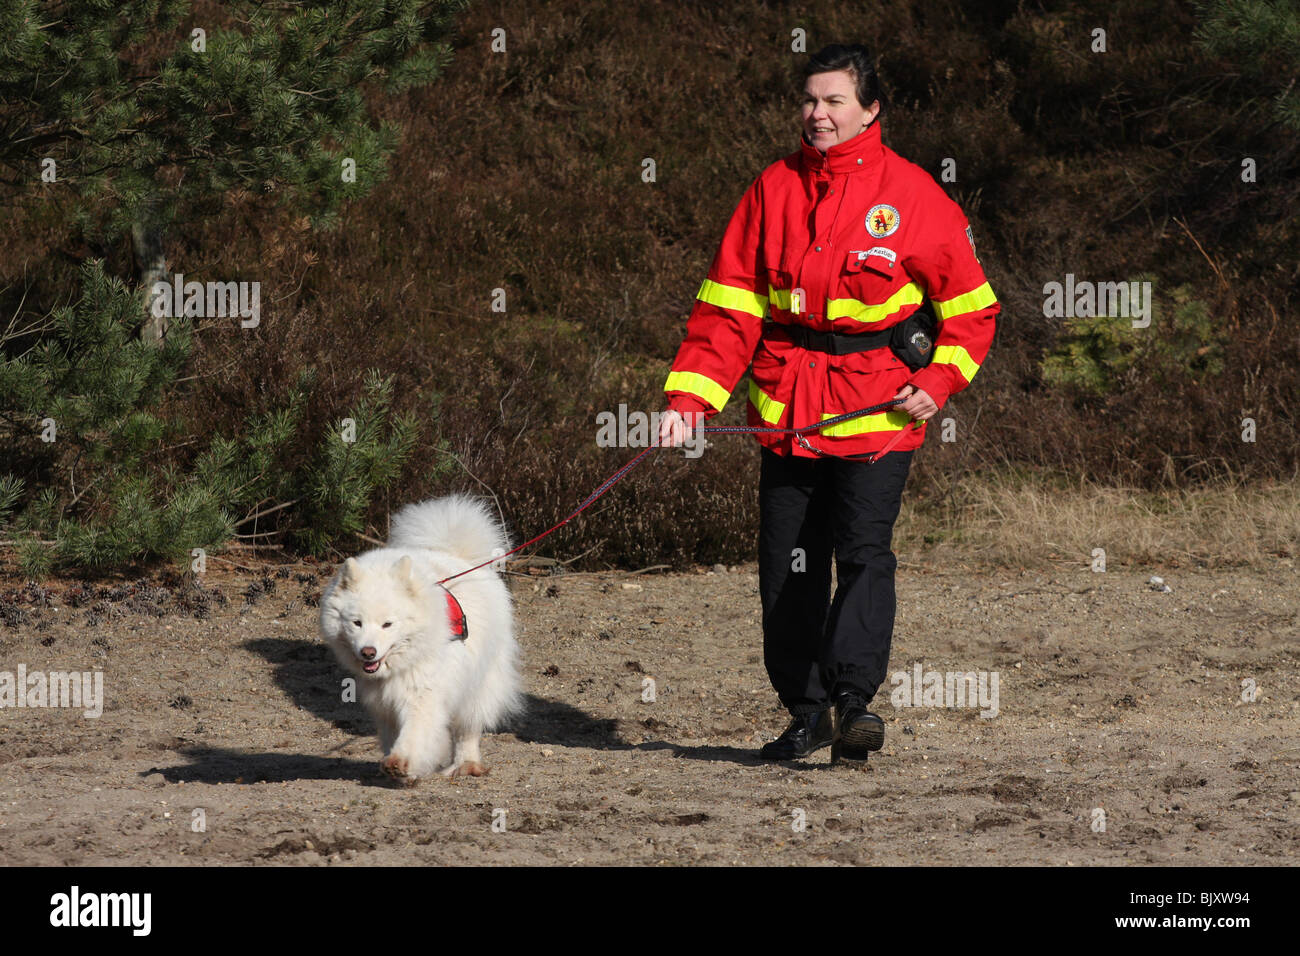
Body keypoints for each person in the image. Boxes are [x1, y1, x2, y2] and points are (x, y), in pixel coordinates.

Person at [657, 44, 999, 761]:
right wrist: (690, 396)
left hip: (881, 413)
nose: (817, 114)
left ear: (871, 110)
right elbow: (729, 308)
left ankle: (854, 703)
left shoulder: (914, 195)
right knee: (786, 568)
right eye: (810, 101)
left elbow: (973, 311)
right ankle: (806, 711)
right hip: (787, 409)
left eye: (834, 101)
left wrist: (935, 384)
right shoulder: (770, 189)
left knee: (864, 554)